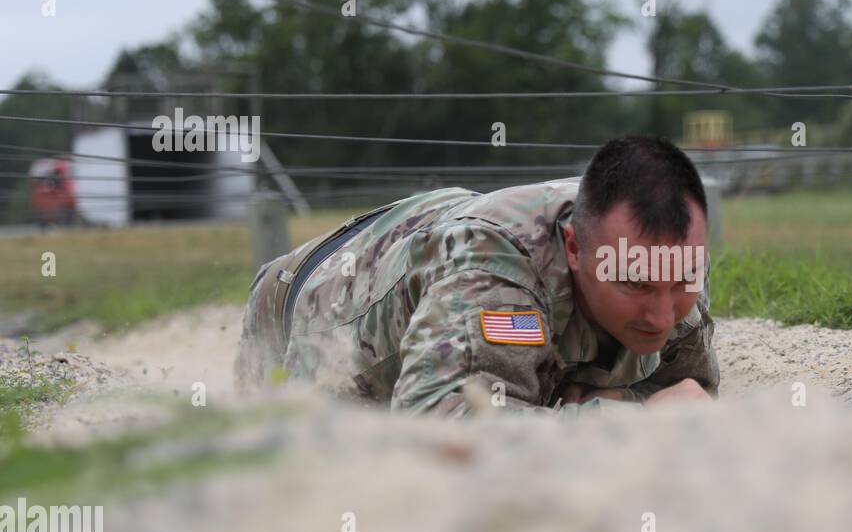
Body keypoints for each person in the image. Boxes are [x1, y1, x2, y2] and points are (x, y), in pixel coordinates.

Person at [234, 134, 718, 415]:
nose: (662, 314)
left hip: (425, 234)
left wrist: (624, 396)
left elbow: (687, 389)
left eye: (683, 281)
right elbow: (439, 419)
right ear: (574, 248)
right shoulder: (493, 270)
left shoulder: (659, 254)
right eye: (635, 285)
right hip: (305, 300)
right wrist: (619, 417)